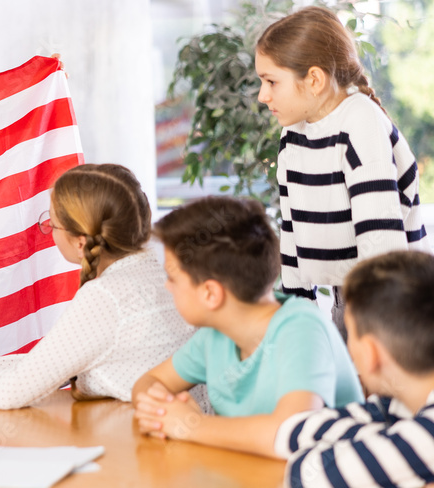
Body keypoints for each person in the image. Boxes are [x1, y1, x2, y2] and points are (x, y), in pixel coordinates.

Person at [0, 164, 196, 410]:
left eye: (52, 224)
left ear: (81, 242)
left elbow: (12, 393)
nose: (48, 232)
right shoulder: (159, 275)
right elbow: (54, 362)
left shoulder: (106, 295)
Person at [132, 196, 363, 458]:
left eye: (172, 278)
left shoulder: (302, 329)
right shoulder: (214, 336)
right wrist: (163, 411)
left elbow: (292, 434)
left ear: (210, 293)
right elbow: (149, 381)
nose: (167, 286)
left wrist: (190, 425)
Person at [256, 5, 428, 330]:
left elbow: (380, 243)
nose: (263, 95)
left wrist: (375, 328)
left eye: (271, 81)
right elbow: (291, 231)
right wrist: (297, 317)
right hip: (346, 295)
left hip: (392, 301)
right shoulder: (292, 135)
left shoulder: (359, 122)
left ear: (314, 79)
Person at [276, 251, 434, 487]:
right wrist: (383, 440)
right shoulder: (396, 405)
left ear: (371, 353)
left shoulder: (424, 433)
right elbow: (291, 430)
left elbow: (306, 474)